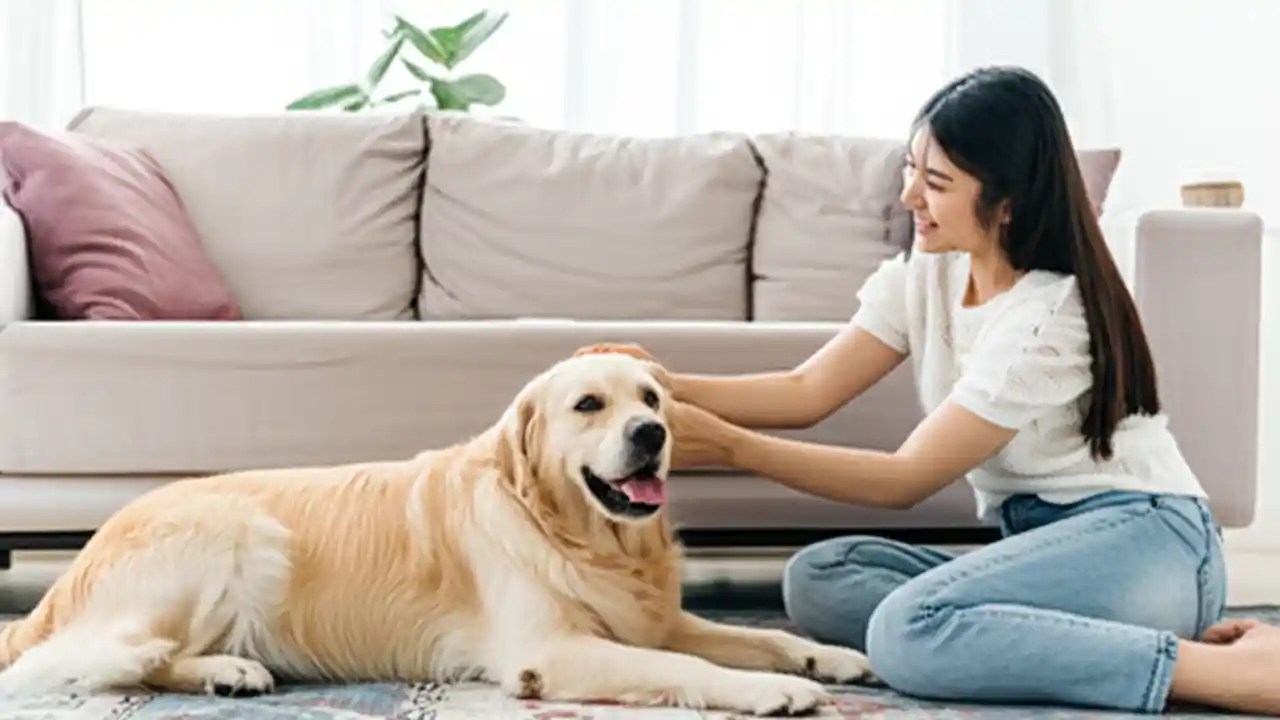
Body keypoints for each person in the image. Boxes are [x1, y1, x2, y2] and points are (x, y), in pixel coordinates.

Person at [575, 65, 1280, 716]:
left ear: (1007, 203)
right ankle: (1068, 637)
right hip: (1045, 543)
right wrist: (660, 384)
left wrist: (728, 446)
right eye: (912, 169)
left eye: (936, 182)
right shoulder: (930, 275)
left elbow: (904, 480)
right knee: (820, 577)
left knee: (907, 630)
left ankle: (1215, 668)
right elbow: (806, 390)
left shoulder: (1046, 318)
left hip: (1146, 540)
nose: (909, 195)